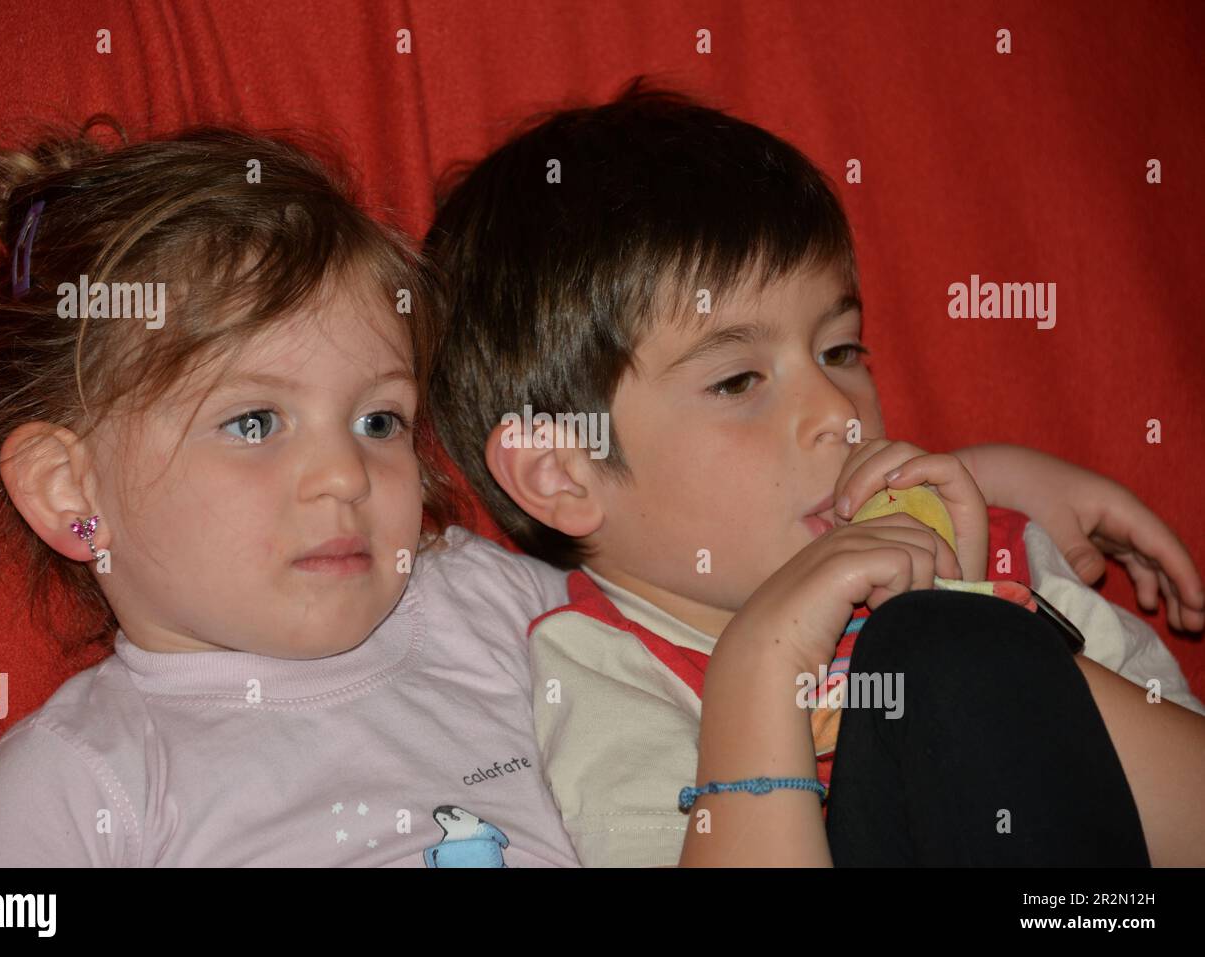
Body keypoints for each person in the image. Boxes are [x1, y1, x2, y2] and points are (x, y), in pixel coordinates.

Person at [423, 79, 1205, 866]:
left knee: (933, 642)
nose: (839, 409)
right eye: (737, 381)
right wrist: (762, 666)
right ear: (563, 475)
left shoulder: (1001, 551)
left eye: (841, 351)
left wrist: (978, 621)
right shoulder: (604, 671)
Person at [0, 121, 579, 867]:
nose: (346, 474)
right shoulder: (84, 780)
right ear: (70, 493)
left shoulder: (490, 607)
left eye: (379, 420)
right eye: (253, 422)